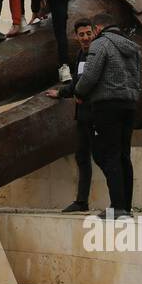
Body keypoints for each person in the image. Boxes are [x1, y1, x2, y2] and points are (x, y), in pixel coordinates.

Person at [72, 13, 141, 219]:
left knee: (105, 154)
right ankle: (125, 207)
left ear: (98, 28)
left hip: (106, 105)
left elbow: (90, 75)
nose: (90, 35)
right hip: (129, 104)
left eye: (92, 31)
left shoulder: (100, 44)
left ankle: (117, 207)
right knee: (123, 155)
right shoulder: (132, 47)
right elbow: (138, 77)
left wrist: (79, 91)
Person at [46, 19, 98, 212]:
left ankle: (119, 204)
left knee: (104, 158)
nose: (85, 38)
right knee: (82, 157)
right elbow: (77, 82)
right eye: (81, 34)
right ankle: (82, 202)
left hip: (98, 115)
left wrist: (80, 93)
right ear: (76, 36)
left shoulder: (98, 53)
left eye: (88, 33)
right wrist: (60, 92)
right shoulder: (79, 55)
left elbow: (96, 82)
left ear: (94, 33)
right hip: (83, 116)